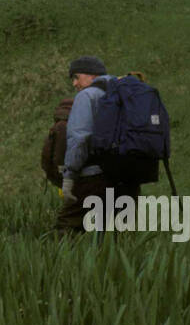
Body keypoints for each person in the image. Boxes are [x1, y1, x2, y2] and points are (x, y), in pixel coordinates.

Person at [56, 55, 140, 234]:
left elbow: (79, 139)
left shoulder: (87, 96)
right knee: (117, 235)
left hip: (96, 177)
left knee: (66, 228)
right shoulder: (127, 92)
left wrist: (69, 177)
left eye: (76, 77)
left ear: (92, 75)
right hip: (129, 177)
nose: (74, 83)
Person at [40, 95, 74, 192]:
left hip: (60, 177)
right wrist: (65, 179)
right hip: (68, 179)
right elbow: (60, 157)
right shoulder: (63, 127)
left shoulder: (58, 125)